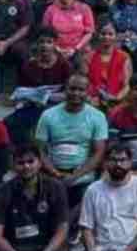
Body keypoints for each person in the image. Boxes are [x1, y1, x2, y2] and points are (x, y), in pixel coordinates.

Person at [35, 73, 109, 211]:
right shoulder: (48, 115)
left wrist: (75, 176)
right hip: (53, 175)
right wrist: (54, 172)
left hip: (83, 176)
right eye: (72, 89)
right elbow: (40, 150)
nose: (76, 93)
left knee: (86, 202)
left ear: (88, 92)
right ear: (65, 90)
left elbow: (99, 153)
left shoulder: (97, 117)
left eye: (81, 90)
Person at [4, 30, 71, 146]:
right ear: (36, 44)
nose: (45, 45)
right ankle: (24, 154)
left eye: (49, 42)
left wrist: (46, 97)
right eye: (41, 42)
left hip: (56, 107)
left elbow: (69, 94)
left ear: (55, 44)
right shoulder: (28, 66)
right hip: (32, 106)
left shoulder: (64, 65)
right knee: (9, 122)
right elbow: (20, 93)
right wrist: (27, 100)